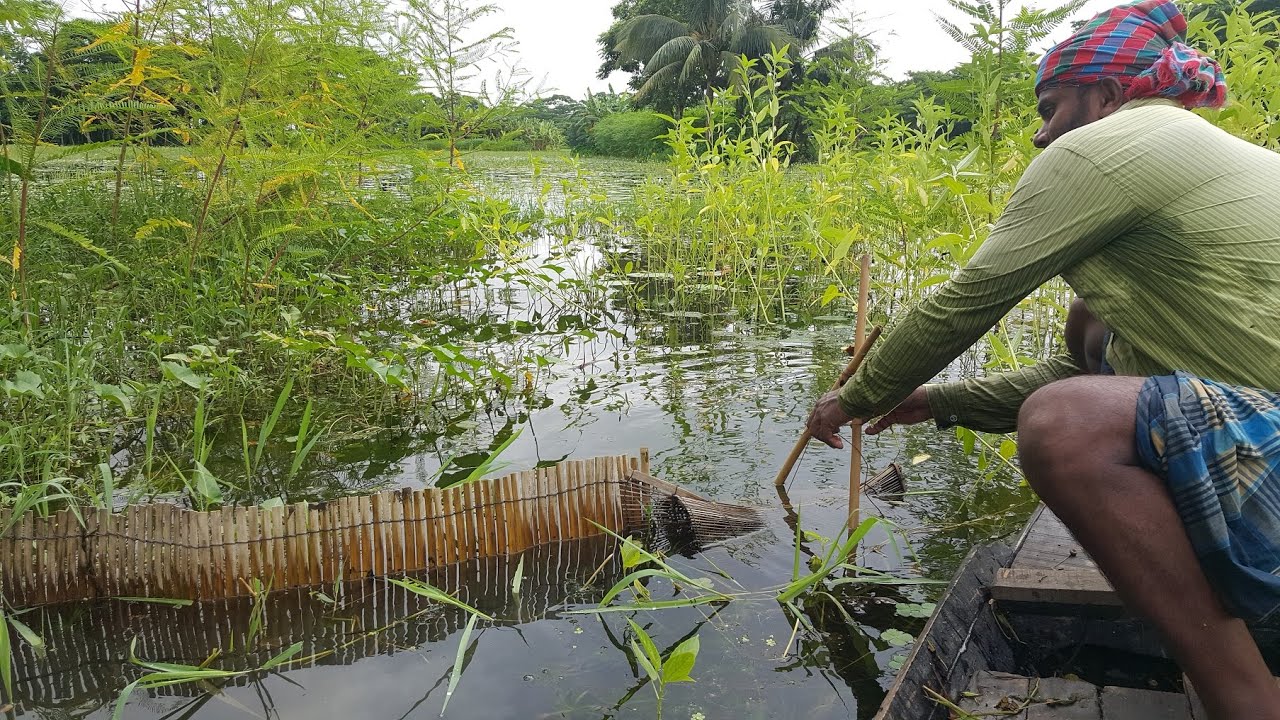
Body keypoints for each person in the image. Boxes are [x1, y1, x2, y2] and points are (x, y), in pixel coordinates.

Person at [803, 1, 1280, 717]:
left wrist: (855, 396)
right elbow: (1106, 377)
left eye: (1052, 108)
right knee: (1090, 330)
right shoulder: (1191, 150)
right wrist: (936, 401)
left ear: (1109, 96)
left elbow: (967, 299)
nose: (1040, 132)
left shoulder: (1105, 147)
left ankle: (1244, 699)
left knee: (1064, 426)